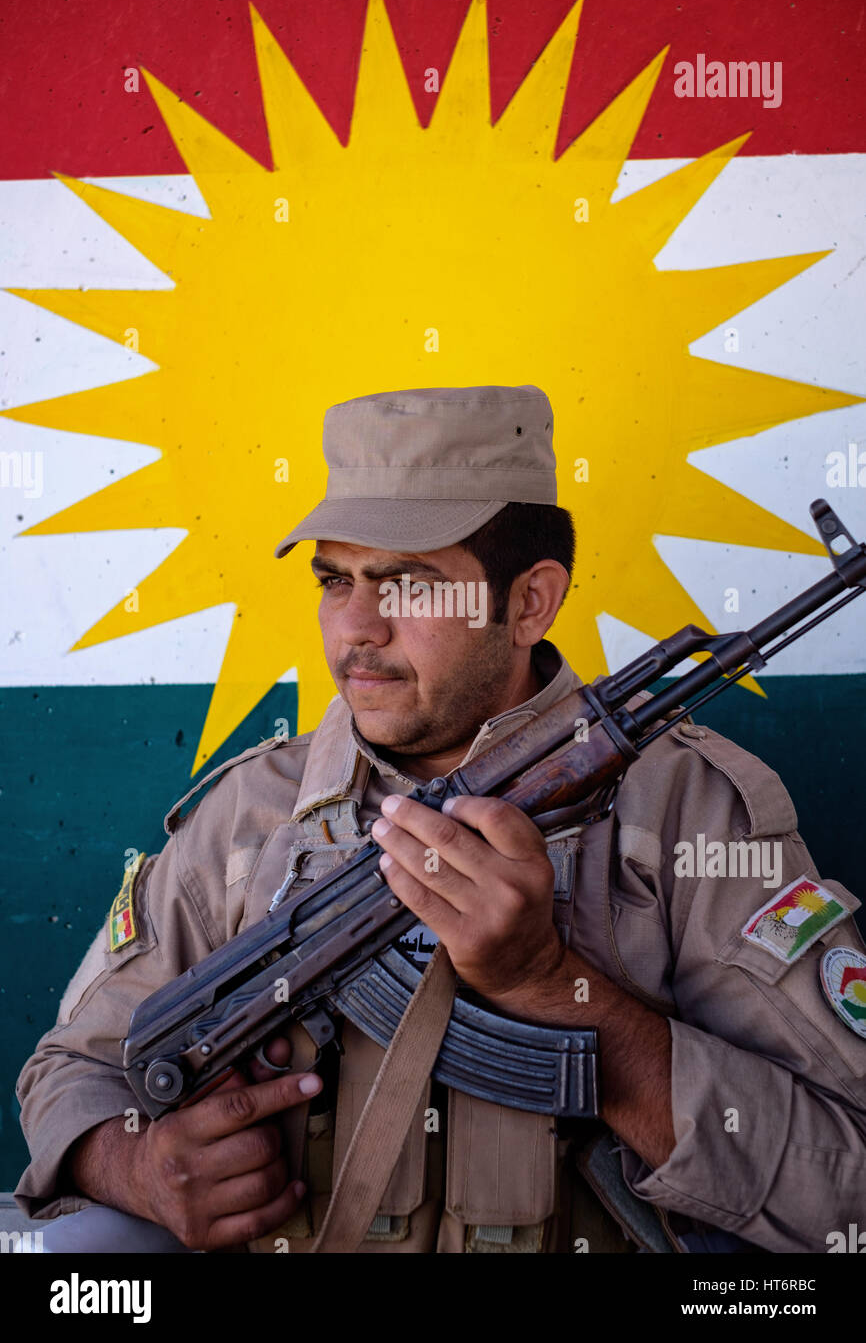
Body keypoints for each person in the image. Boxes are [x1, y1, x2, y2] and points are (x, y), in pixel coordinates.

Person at [14, 384, 866, 1254]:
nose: (357, 629)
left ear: (530, 602)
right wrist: (135, 1165)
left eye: (408, 584)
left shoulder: (689, 813)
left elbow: (849, 1188)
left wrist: (550, 988)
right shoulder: (253, 813)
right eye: (334, 579)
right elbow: (71, 1069)